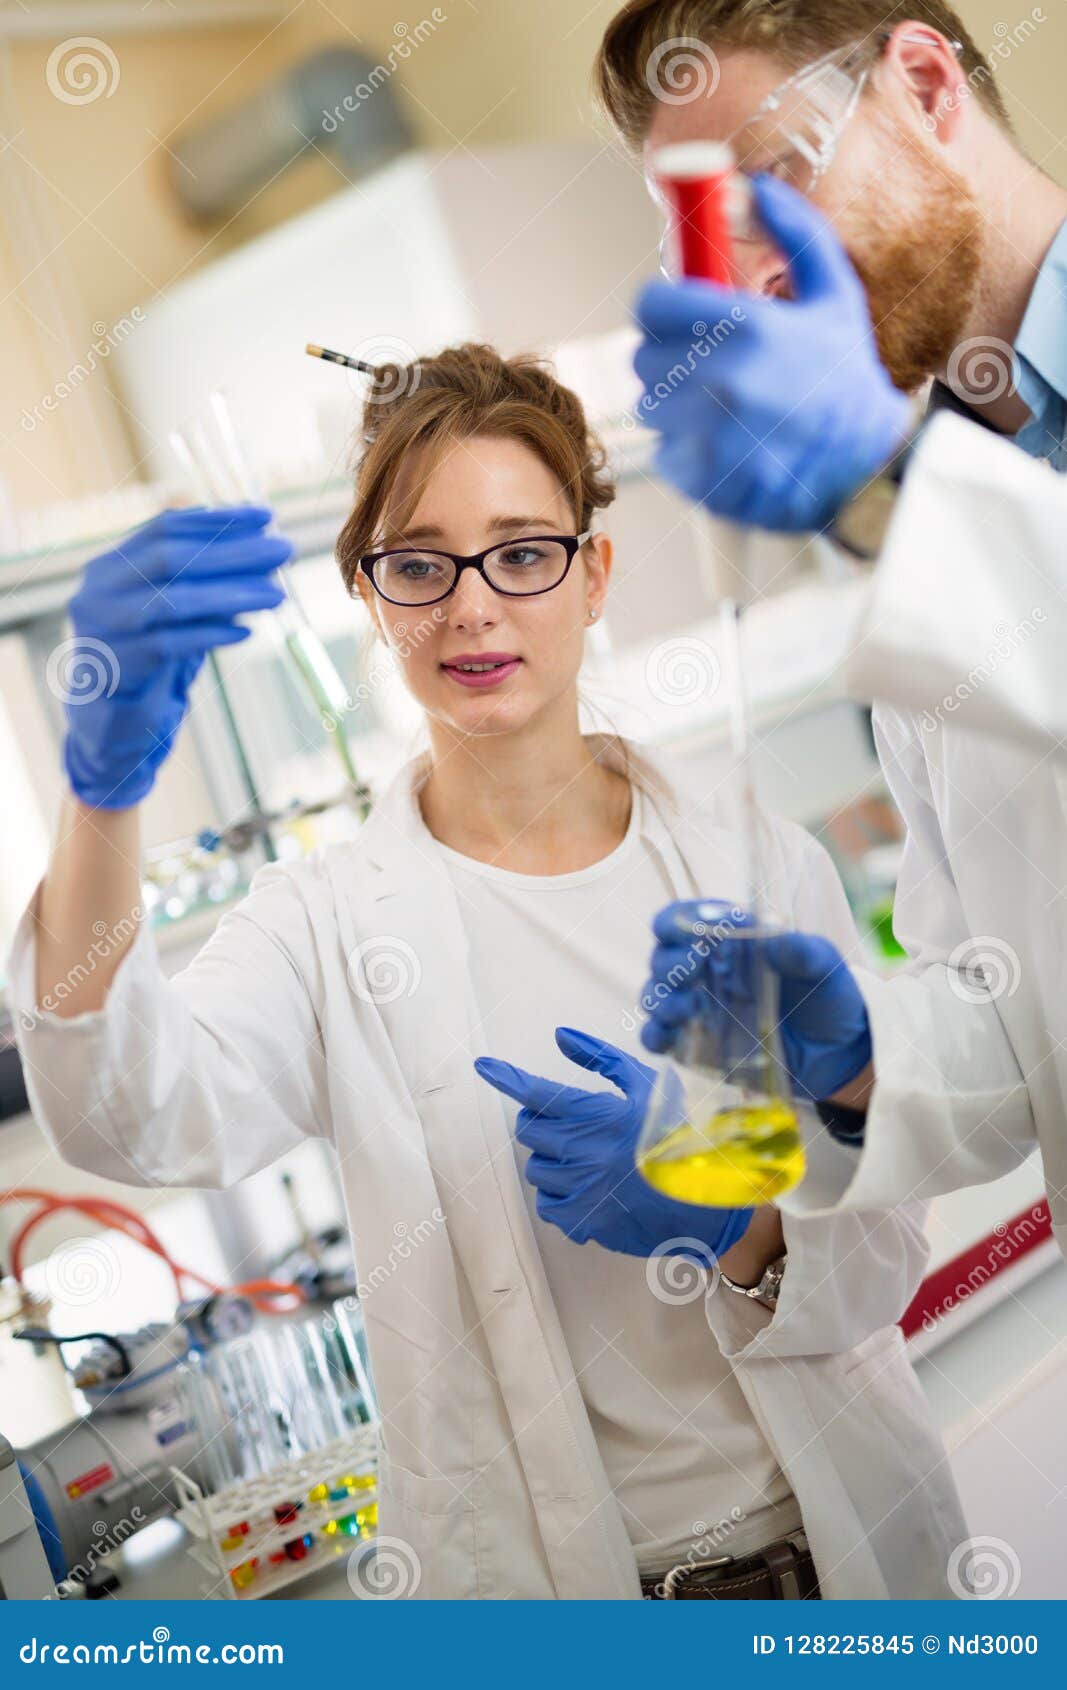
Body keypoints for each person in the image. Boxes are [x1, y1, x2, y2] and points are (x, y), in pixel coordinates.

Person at [7, 345, 963, 1600]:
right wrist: (100, 796)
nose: (471, 607)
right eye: (419, 563)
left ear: (593, 573)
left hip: (846, 1560)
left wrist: (735, 1221)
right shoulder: (325, 924)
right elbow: (128, 1115)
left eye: (521, 552)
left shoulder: (747, 861)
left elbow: (888, 1240)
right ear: (369, 592)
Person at [594, 0, 1067, 1250]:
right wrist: (863, 1052)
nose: (752, 272)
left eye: (773, 179)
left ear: (919, 81)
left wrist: (886, 481)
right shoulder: (928, 515)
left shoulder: (911, 508)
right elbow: (1020, 1034)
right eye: (703, 227)